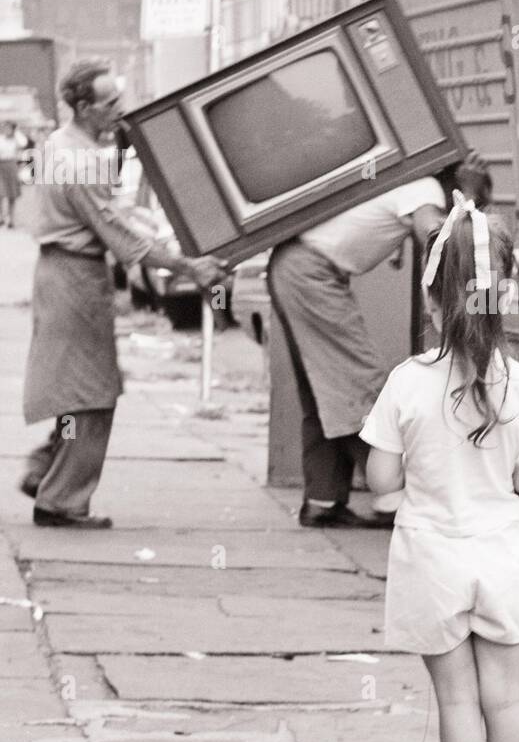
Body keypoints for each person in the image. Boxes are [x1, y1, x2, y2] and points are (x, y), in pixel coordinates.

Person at [361, 192, 519, 742]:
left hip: (432, 556)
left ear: (431, 294)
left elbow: (379, 478)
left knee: (455, 700)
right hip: (502, 555)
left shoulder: (407, 384)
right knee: (505, 700)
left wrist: (414, 483)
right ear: (504, 291)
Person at [20, 59, 226, 529]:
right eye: (110, 103)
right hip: (74, 279)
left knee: (76, 387)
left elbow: (111, 216)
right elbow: (118, 235)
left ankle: (49, 472)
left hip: (65, 275)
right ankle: (61, 499)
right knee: (89, 394)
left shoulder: (68, 145)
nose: (120, 109)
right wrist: (187, 266)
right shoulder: (78, 160)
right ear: (84, 106)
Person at [267, 152, 492, 530]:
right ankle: (395, 501)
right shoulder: (423, 190)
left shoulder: (407, 185)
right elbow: (437, 237)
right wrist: (468, 198)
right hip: (311, 273)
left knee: (326, 391)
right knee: (361, 384)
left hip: (296, 267)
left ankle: (322, 501)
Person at [0, 121, 20, 228]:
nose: (6, 130)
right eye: (4, 128)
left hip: (11, 166)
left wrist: (16, 133)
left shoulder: (16, 140)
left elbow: (24, 143)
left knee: (12, 194)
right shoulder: (0, 139)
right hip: (1, 166)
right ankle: (1, 217)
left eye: (9, 128)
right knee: (1, 193)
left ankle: (11, 219)